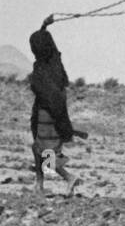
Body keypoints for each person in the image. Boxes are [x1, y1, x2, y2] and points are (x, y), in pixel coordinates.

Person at [29, 15, 86, 196]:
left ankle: (68, 178)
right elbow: (46, 43)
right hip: (49, 115)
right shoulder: (55, 63)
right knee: (39, 149)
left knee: (44, 151)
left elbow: (51, 98)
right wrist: (44, 25)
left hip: (47, 116)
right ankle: (39, 184)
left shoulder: (42, 69)